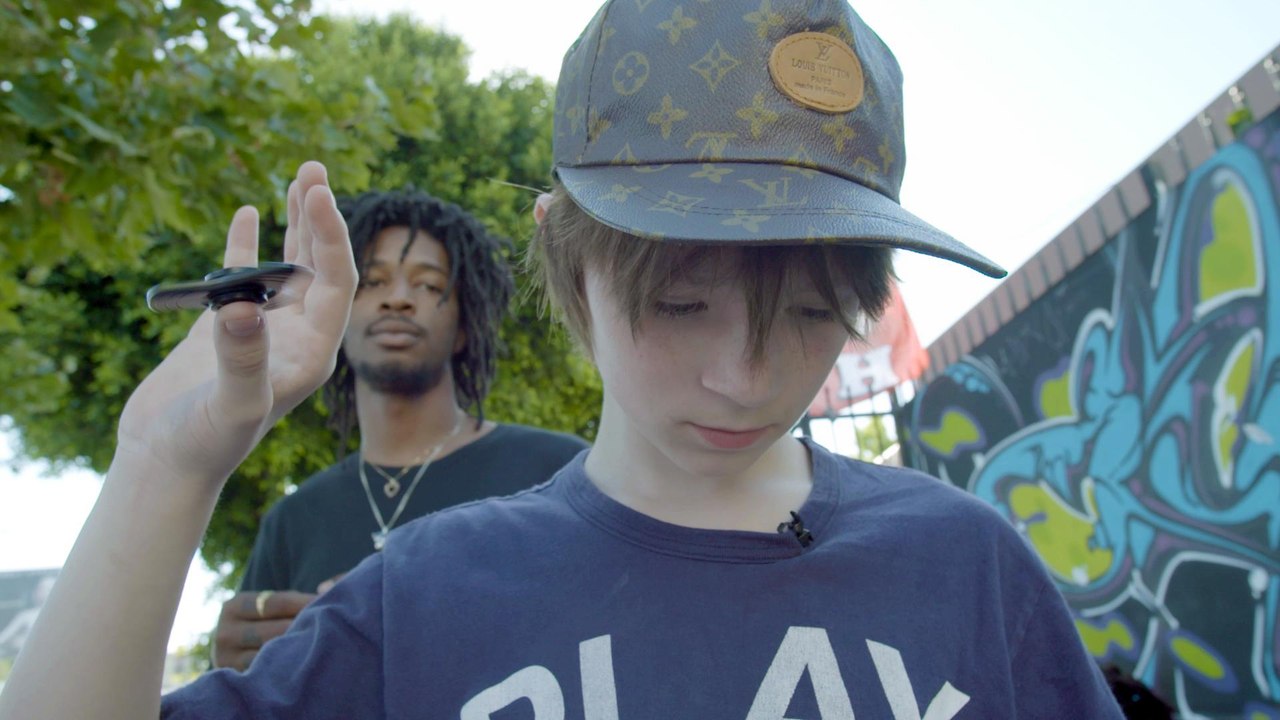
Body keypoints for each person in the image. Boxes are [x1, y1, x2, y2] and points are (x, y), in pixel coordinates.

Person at [0, 1, 1126, 717]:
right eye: (678, 302)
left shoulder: (965, 563)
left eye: (807, 313)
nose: (742, 376)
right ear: (561, 253)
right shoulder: (430, 594)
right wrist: (162, 465)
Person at [211, 189, 588, 671]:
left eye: (429, 285)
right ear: (337, 319)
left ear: (464, 328)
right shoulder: (293, 521)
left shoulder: (557, 472)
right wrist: (235, 675)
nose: (397, 299)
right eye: (371, 282)